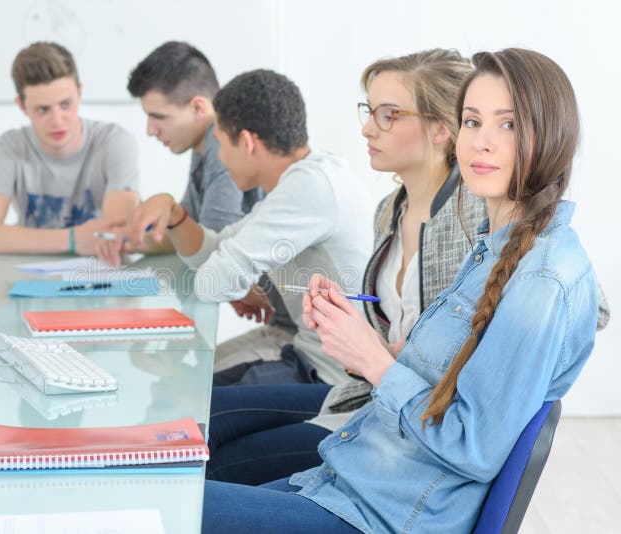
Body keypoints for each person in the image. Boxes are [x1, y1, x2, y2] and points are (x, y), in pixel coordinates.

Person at [202, 48, 601, 534]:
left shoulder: (541, 276)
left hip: (387, 512)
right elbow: (452, 368)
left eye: (509, 125)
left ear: (551, 134)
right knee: (168, 491)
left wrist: (377, 361)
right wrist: (369, 344)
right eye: (472, 122)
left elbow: (472, 445)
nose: (482, 142)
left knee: (163, 506)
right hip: (356, 477)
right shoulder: (489, 244)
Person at [207, 49, 486, 485]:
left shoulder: (470, 221)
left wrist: (376, 351)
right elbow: (402, 331)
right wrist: (344, 315)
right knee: (208, 422)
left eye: (389, 115)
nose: (367, 127)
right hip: (364, 395)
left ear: (440, 128)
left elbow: (460, 352)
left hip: (402, 425)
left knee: (218, 463)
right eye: (370, 111)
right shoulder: (390, 210)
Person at [119, 69, 373, 387]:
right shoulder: (299, 181)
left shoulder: (310, 187)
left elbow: (215, 281)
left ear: (247, 142)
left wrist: (233, 281)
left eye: (222, 144)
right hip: (305, 352)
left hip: (331, 375)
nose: (221, 159)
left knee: (192, 398)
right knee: (190, 388)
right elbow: (215, 250)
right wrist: (173, 214)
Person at [104, 41, 296, 366]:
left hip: (292, 332)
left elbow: (210, 253)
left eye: (158, 117)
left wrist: (170, 346)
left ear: (197, 107)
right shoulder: (201, 148)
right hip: (276, 322)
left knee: (191, 383)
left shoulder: (220, 151)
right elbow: (188, 229)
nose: (150, 130)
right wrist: (132, 239)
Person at [0, 42, 140, 256]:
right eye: (43, 110)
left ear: (80, 93)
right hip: (29, 270)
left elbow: (114, 232)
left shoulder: (114, 142)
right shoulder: (8, 148)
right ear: (21, 106)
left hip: (99, 269)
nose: (57, 120)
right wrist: (73, 240)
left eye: (65, 104)